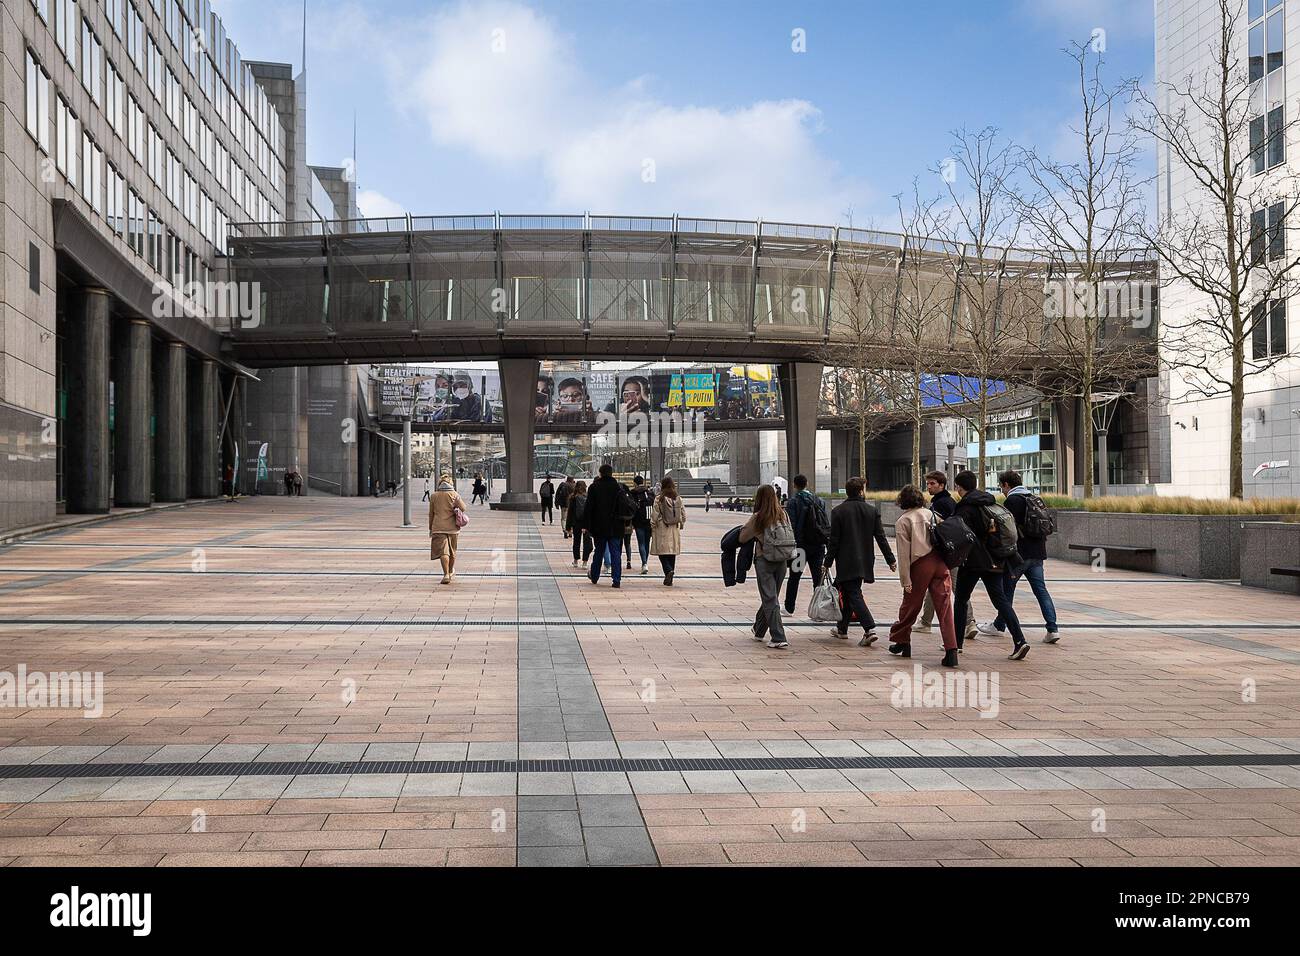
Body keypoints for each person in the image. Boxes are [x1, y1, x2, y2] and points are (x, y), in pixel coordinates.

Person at [951, 470, 1031, 660]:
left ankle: (956, 644)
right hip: (995, 558)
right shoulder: (989, 502)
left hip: (973, 561)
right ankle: (1020, 641)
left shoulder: (965, 507)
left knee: (961, 599)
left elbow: (963, 536)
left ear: (959, 487)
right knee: (1000, 600)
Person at [982, 470, 1060, 644]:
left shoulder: (1012, 500)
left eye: (1001, 487)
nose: (1001, 490)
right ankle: (1052, 628)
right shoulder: (1034, 498)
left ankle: (1000, 626)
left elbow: (1007, 528)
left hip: (1018, 555)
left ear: (1006, 485)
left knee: (1006, 590)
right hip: (1038, 553)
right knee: (1041, 590)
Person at [886, 485, 959, 667]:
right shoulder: (931, 514)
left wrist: (906, 580)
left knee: (910, 606)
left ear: (902, 501)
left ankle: (903, 641)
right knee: (945, 607)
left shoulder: (903, 521)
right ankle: (951, 650)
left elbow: (904, 555)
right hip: (940, 563)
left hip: (920, 565)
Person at [822, 476, 897, 647]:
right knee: (849, 592)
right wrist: (890, 559)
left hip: (846, 561)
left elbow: (834, 541)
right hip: (864, 560)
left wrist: (827, 562)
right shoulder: (871, 511)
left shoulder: (838, 511)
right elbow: (881, 537)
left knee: (853, 593)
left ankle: (869, 629)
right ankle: (842, 629)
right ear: (861, 491)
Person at [914, 470, 978, 642]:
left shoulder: (942, 503)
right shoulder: (945, 501)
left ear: (942, 485)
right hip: (949, 551)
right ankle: (926, 621)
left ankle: (969, 622)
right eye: (927, 483)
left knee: (956, 588)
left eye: (933, 483)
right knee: (935, 586)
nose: (929, 486)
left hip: (947, 552)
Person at [739, 484, 793, 648]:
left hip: (765, 560)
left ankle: (778, 637)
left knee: (770, 599)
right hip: (782, 560)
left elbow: (742, 537)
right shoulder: (783, 514)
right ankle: (759, 630)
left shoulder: (759, 517)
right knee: (771, 597)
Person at [783, 474, 828, 615]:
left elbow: (792, 525)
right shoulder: (819, 501)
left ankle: (789, 608)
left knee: (794, 577)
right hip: (818, 547)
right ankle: (819, 609)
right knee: (817, 579)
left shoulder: (793, 502)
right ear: (807, 483)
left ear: (794, 485)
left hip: (801, 548)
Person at [584, 464, 627, 587]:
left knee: (599, 551)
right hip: (616, 526)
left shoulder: (594, 487)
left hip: (599, 526)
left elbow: (589, 508)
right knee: (615, 552)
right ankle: (616, 580)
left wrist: (587, 525)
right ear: (612, 473)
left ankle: (595, 576)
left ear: (600, 473)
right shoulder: (619, 488)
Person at [428, 473, 467, 585]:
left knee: (443, 552)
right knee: (452, 551)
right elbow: (464, 508)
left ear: (440, 483)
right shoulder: (454, 494)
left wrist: (431, 528)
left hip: (438, 527)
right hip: (453, 528)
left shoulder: (434, 496)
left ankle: (445, 574)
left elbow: (431, 514)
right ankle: (450, 571)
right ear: (451, 483)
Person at [650, 476, 686, 585]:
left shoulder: (659, 498)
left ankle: (668, 571)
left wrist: (652, 524)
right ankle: (670, 575)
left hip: (662, 526)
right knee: (672, 552)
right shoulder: (678, 498)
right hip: (674, 527)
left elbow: (655, 513)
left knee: (662, 552)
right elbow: (683, 514)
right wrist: (681, 524)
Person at [629, 475, 654, 574]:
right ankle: (645, 563)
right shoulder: (650, 492)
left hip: (638, 522)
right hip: (649, 521)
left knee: (641, 543)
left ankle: (644, 563)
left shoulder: (633, 493)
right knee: (647, 542)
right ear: (643, 482)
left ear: (634, 483)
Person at [567, 480, 593, 566]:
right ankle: (585, 562)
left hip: (576, 523)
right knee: (587, 542)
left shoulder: (573, 497)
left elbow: (570, 513)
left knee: (576, 542)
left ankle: (575, 561)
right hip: (586, 523)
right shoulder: (588, 497)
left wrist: (568, 526)